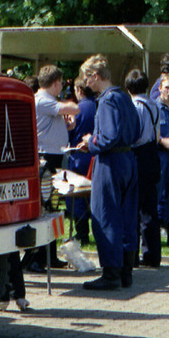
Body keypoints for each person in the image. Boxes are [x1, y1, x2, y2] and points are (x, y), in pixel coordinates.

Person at [75, 55, 140, 290]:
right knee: (127, 216)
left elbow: (108, 136)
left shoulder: (107, 100)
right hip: (128, 159)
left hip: (110, 162)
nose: (85, 83)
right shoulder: (124, 97)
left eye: (87, 78)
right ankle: (126, 272)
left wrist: (90, 141)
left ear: (95, 76)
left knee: (106, 216)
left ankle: (111, 274)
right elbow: (137, 130)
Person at [26, 65, 78, 272]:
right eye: (61, 84)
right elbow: (74, 108)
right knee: (46, 207)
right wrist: (69, 107)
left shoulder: (49, 101)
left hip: (53, 156)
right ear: (56, 83)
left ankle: (50, 255)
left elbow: (63, 119)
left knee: (53, 206)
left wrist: (66, 125)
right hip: (46, 158)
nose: (62, 88)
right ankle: (38, 258)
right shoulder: (43, 100)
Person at [126, 69, 161, 269]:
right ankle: (152, 255)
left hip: (138, 155)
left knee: (134, 207)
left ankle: (132, 255)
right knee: (150, 208)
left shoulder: (135, 106)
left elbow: (134, 135)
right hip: (152, 154)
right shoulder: (153, 105)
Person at [67, 77, 97, 244]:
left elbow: (69, 133)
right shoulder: (99, 106)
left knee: (77, 195)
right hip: (97, 156)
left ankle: (82, 232)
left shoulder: (76, 109)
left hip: (79, 157)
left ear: (78, 90)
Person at [150, 76, 169, 267]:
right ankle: (157, 232)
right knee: (158, 195)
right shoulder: (154, 107)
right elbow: (151, 134)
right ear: (160, 88)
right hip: (160, 156)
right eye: (167, 88)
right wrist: (163, 140)